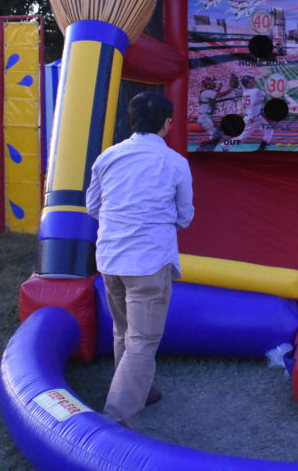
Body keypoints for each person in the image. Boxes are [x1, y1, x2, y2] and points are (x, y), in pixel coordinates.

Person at [86, 92, 194, 428]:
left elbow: (93, 207)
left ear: (130, 120)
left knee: (124, 331)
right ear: (167, 123)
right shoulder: (175, 163)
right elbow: (185, 216)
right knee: (142, 341)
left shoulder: (107, 157)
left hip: (110, 258)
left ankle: (139, 390)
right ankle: (117, 419)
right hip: (148, 262)